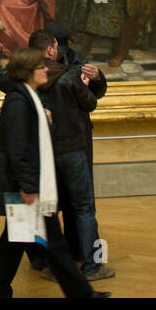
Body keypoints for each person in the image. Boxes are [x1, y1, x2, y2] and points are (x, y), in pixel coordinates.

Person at [0, 49, 103, 298]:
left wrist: (41, 120)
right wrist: (28, 186)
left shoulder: (27, 96)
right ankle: (83, 295)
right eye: (40, 67)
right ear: (27, 73)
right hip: (26, 188)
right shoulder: (17, 101)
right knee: (51, 244)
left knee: (16, 242)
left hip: (28, 186)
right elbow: (17, 148)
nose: (46, 69)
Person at [27, 29, 112, 281]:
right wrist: (87, 83)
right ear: (51, 49)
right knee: (84, 208)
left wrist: (97, 77)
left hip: (46, 151)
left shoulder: (29, 76)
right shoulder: (70, 75)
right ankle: (91, 267)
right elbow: (91, 103)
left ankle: (55, 267)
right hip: (73, 148)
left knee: (49, 211)